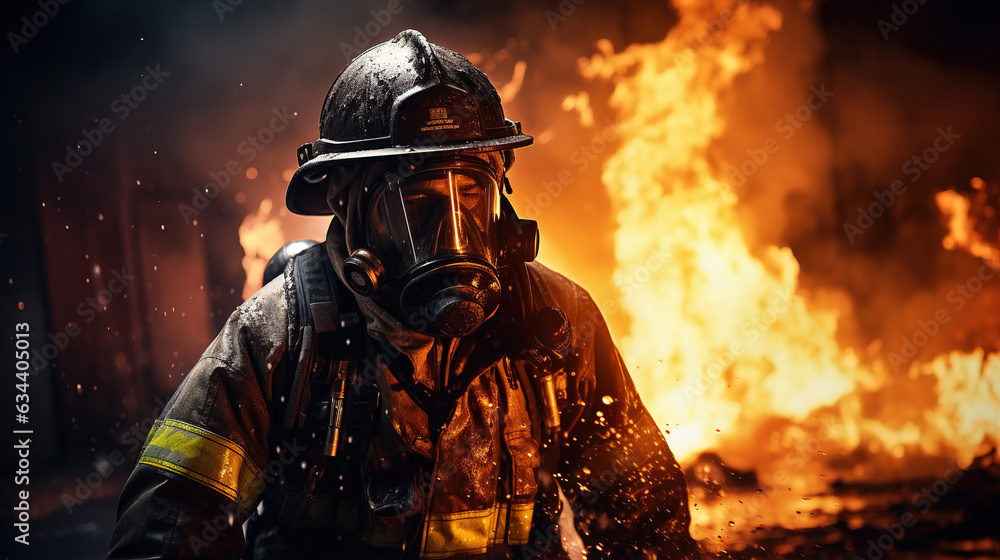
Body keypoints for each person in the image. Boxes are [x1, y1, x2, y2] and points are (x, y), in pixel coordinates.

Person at [107, 29, 702, 560]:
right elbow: (172, 521)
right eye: (417, 197)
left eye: (469, 190)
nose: (452, 227)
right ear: (347, 200)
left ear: (500, 186)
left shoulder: (554, 321)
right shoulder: (278, 332)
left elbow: (643, 519)